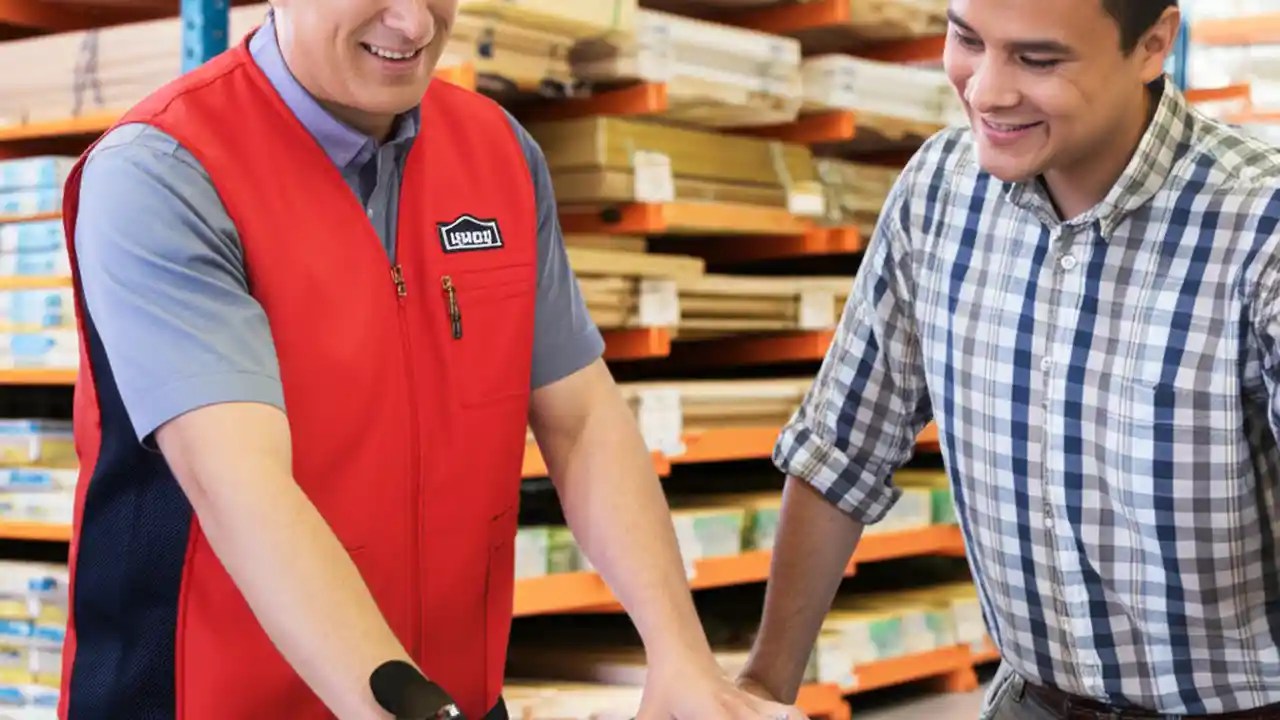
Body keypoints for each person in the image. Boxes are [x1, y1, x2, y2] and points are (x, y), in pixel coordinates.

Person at [53, 2, 808, 719]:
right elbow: (240, 488)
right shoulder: (166, 171)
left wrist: (680, 654)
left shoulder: (498, 153)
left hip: (446, 699)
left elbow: (581, 420)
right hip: (216, 701)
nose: (414, 23)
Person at [733, 0, 1280, 718]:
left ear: (1153, 45)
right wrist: (762, 688)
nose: (986, 91)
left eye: (1038, 59)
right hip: (1031, 701)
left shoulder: (1260, 225)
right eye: (966, 38)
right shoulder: (939, 191)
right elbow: (840, 452)